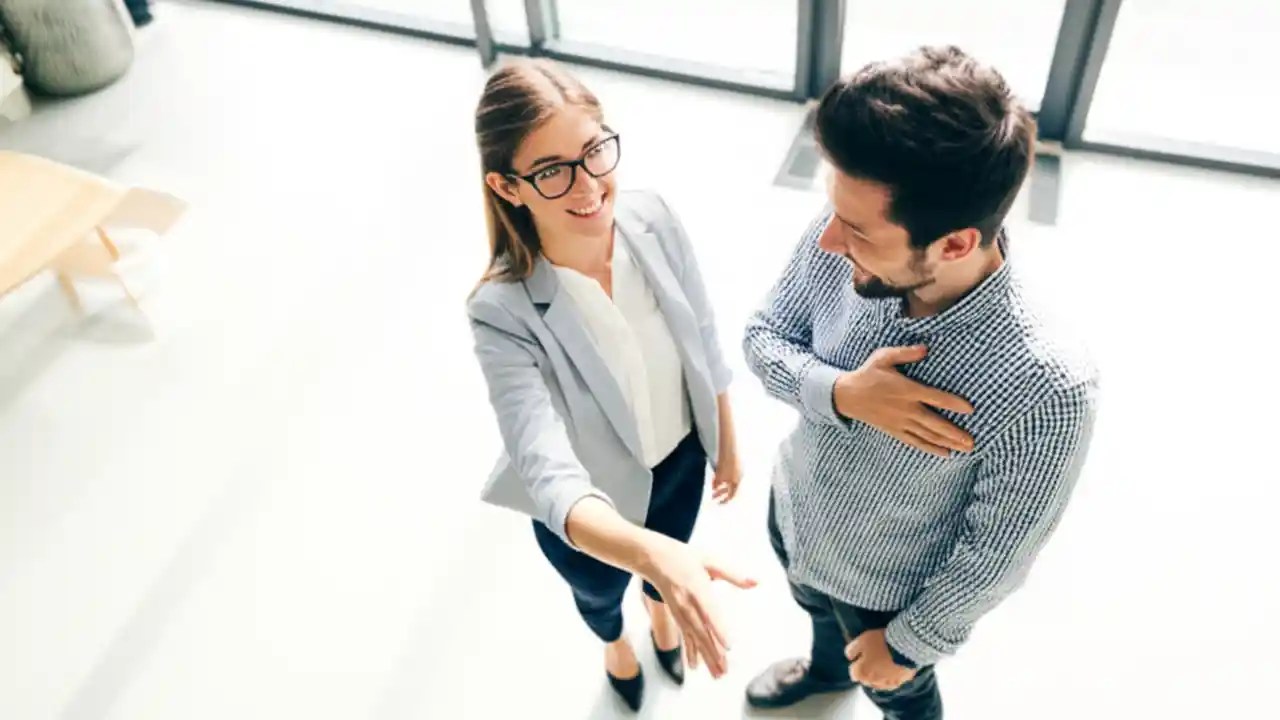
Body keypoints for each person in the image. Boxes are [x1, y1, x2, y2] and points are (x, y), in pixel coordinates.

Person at [741, 46, 1099, 719]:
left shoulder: (1047, 389)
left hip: (888, 596)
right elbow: (764, 337)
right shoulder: (845, 233)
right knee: (819, 623)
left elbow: (999, 551)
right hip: (797, 514)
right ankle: (826, 673)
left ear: (955, 244)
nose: (828, 240)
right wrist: (841, 394)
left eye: (856, 231)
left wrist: (910, 645)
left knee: (901, 698)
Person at [467, 59, 754, 712]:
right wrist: (652, 556)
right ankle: (615, 644)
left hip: (678, 464)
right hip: (589, 508)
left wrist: (726, 439)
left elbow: (702, 334)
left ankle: (657, 615)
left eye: (594, 150)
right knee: (598, 595)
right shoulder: (501, 310)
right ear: (507, 187)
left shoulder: (653, 218)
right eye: (552, 170)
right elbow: (545, 469)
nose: (589, 184)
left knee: (662, 574)